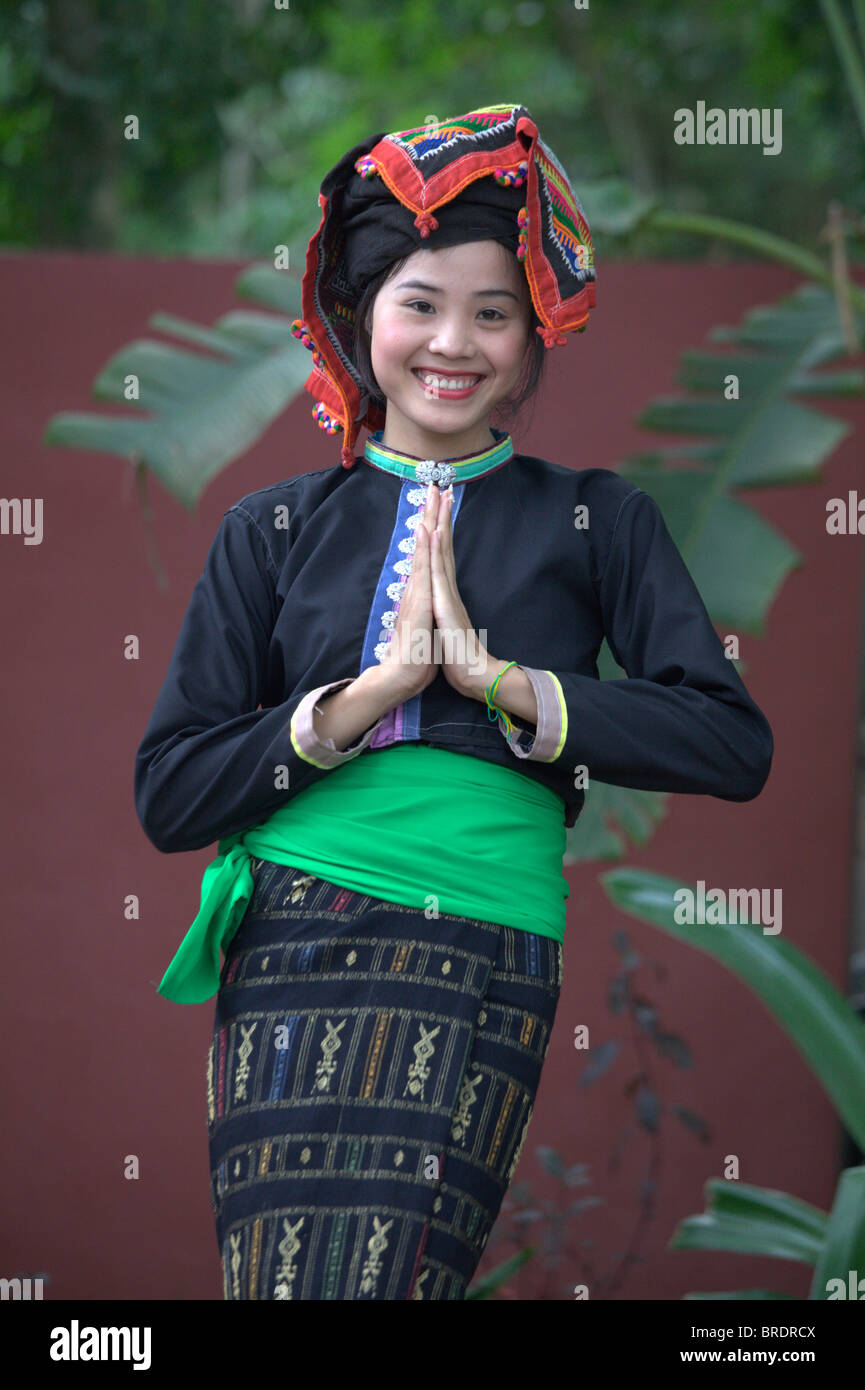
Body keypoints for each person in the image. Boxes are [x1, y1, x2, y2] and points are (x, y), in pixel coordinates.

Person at [133, 103, 773, 1301]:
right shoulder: (271, 530)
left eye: (493, 312)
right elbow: (169, 791)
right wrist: (358, 701)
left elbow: (731, 742)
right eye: (419, 304)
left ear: (534, 336)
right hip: (293, 951)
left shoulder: (596, 521)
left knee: (400, 1276)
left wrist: (502, 684)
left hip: (485, 947)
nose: (454, 342)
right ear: (362, 313)